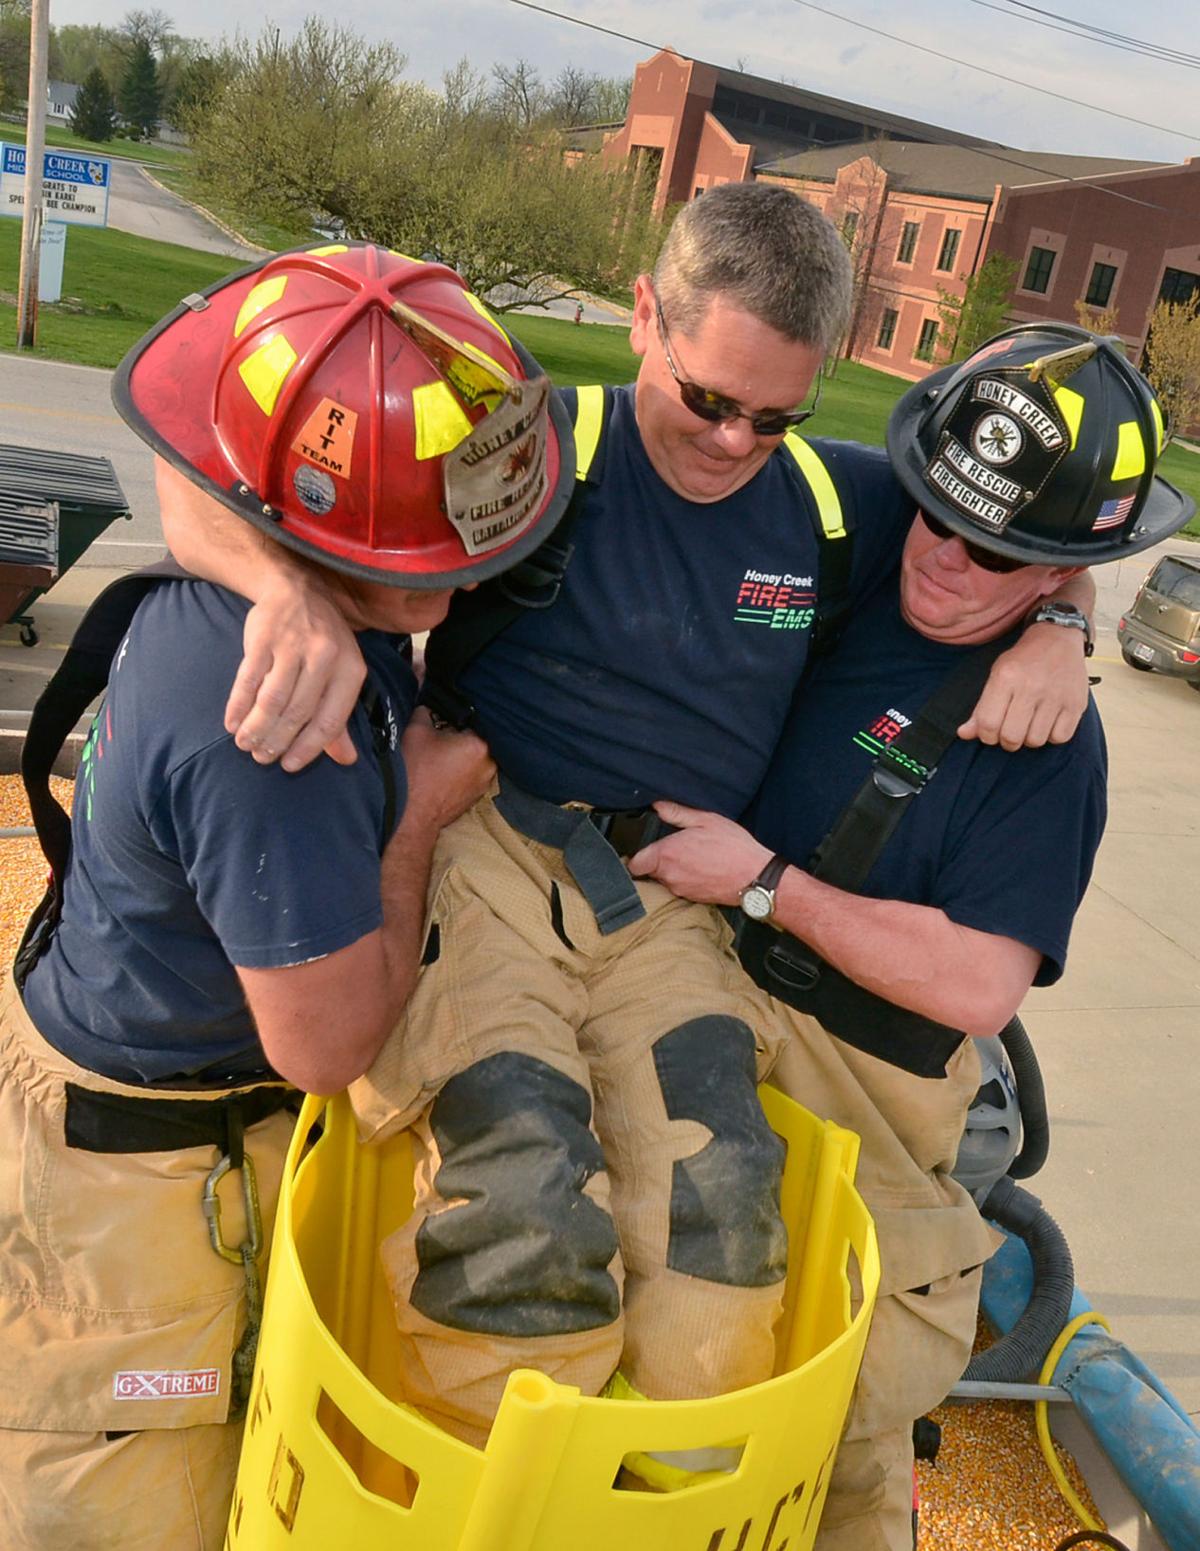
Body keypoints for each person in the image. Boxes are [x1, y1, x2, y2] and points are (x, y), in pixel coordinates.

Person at [160, 190, 1096, 1469]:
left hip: (667, 895)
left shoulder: (833, 502)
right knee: (522, 1191)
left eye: (776, 417)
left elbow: (1011, 525)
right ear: (645, 314)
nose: (733, 443)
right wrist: (281, 590)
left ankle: (664, 1492)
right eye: (709, 399)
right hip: (487, 852)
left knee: (725, 1211)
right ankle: (475, 1490)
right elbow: (186, 459)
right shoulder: (526, 442)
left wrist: (1065, 619)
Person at [0, 243, 575, 1550]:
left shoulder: (272, 531)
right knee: (125, 1504)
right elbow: (323, 1046)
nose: (472, 579)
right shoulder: (281, 735)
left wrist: (281, 583)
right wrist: (420, 810)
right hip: (131, 1217)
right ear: (336, 530)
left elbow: (180, 461)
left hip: (91, 1084)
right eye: (442, 554)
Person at [627, 324, 1193, 1547]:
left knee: (837, 1425)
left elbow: (982, 983)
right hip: (696, 1008)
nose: (946, 561)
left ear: (1054, 562)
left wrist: (766, 883)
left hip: (866, 1103)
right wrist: (1066, 609)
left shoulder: (1049, 755)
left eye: (1004, 556)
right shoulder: (874, 517)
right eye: (943, 518)